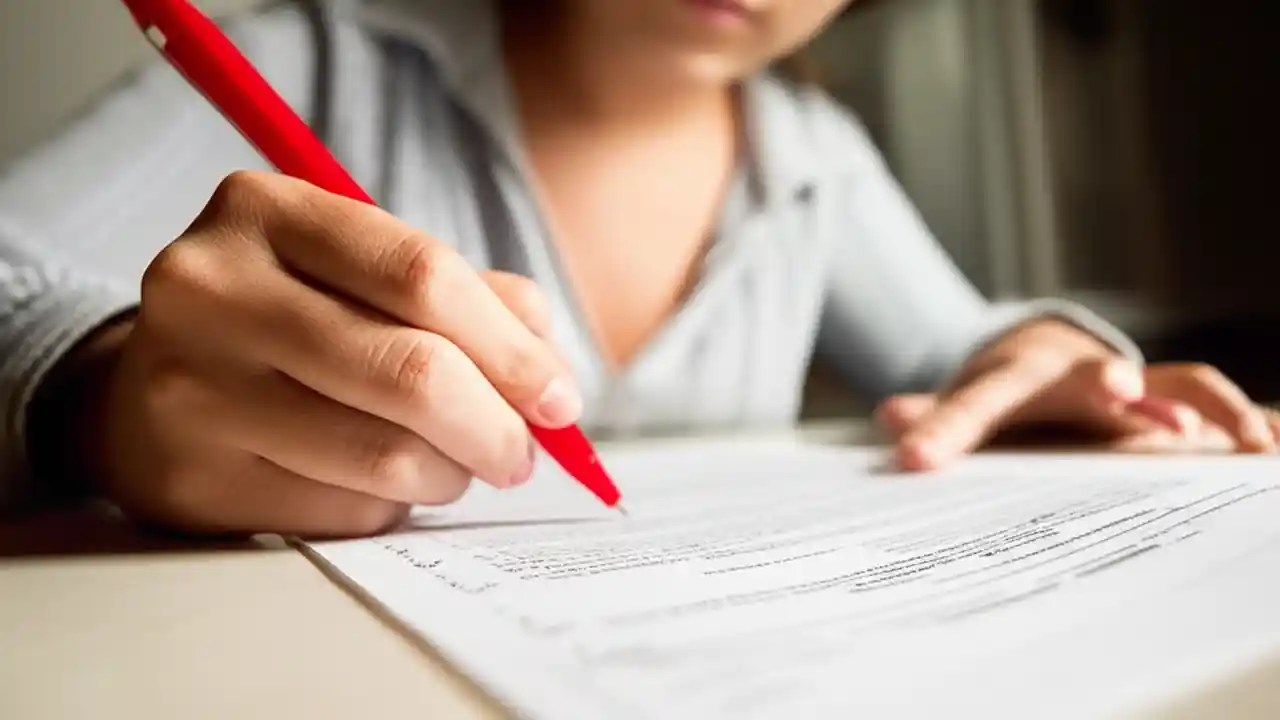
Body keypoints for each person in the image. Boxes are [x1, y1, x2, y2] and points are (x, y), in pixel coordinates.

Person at [0, 0, 1274, 537]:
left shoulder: (813, 156)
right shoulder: (314, 56)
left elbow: (958, 354)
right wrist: (95, 391)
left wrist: (1037, 359)